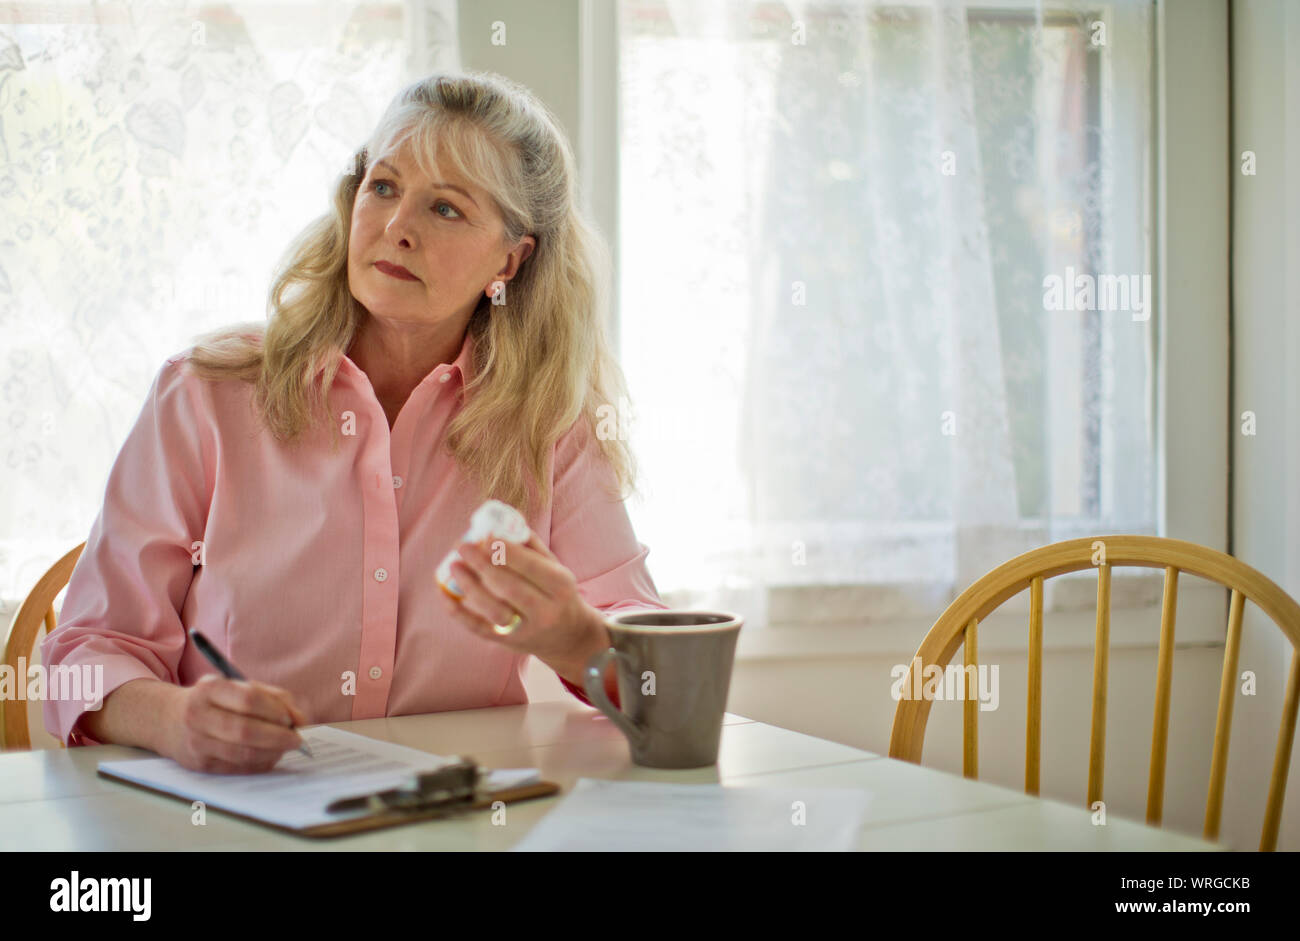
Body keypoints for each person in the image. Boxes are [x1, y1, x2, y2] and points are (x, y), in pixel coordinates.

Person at [41, 70, 665, 773]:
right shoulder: (205, 394)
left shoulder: (550, 423)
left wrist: (574, 638)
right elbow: (79, 659)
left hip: (449, 821)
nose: (398, 229)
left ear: (511, 258)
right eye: (384, 187)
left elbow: (664, 692)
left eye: (447, 209)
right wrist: (174, 720)